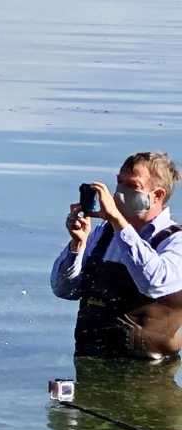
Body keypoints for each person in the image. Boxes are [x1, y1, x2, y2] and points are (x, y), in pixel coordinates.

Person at [51, 151, 182, 359]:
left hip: (149, 372)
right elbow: (64, 290)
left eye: (132, 186)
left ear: (157, 195)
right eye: (120, 182)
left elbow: (152, 283)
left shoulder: (175, 241)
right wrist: (77, 245)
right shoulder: (105, 233)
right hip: (90, 362)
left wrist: (118, 221)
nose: (120, 192)